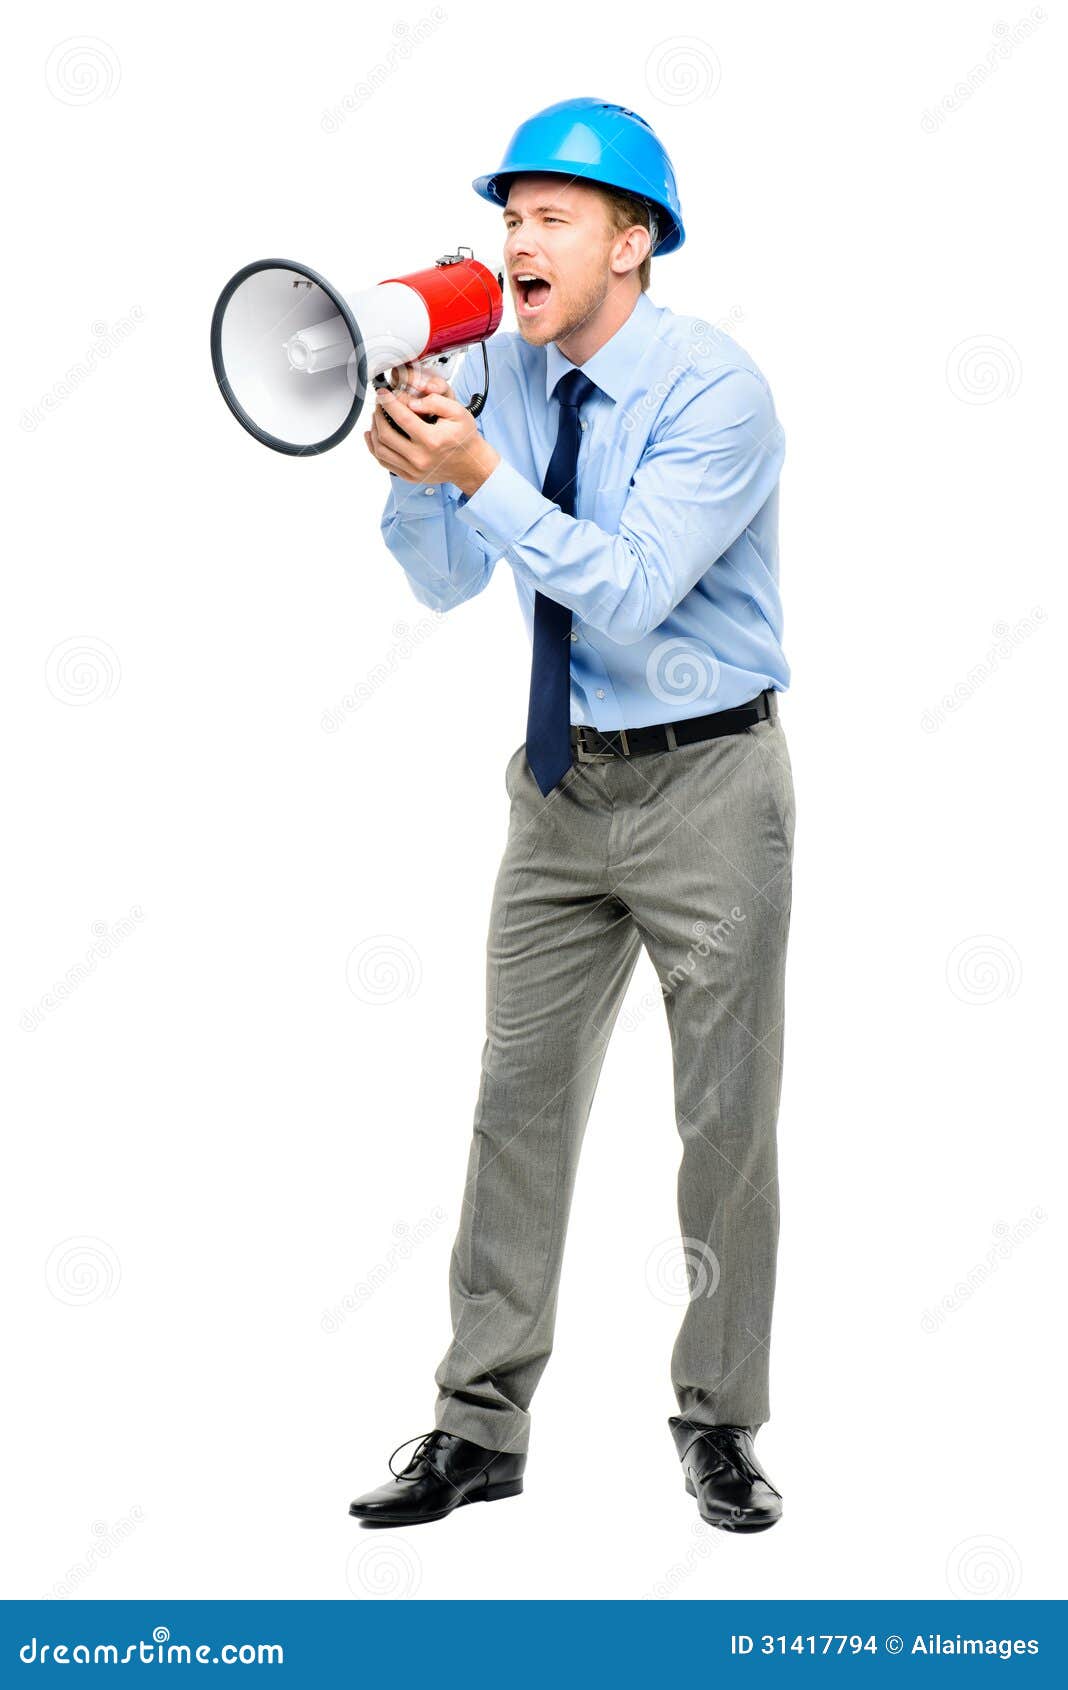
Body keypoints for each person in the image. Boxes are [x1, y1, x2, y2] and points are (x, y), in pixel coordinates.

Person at [349, 97, 794, 1533]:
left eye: (551, 217)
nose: (517, 241)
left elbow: (630, 588)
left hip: (710, 784)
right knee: (517, 1104)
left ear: (633, 241)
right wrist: (423, 469)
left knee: (722, 1118)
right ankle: (478, 1428)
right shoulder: (505, 366)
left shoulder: (717, 390)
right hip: (560, 784)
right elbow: (445, 582)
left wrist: (478, 473)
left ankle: (719, 1422)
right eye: (509, 217)